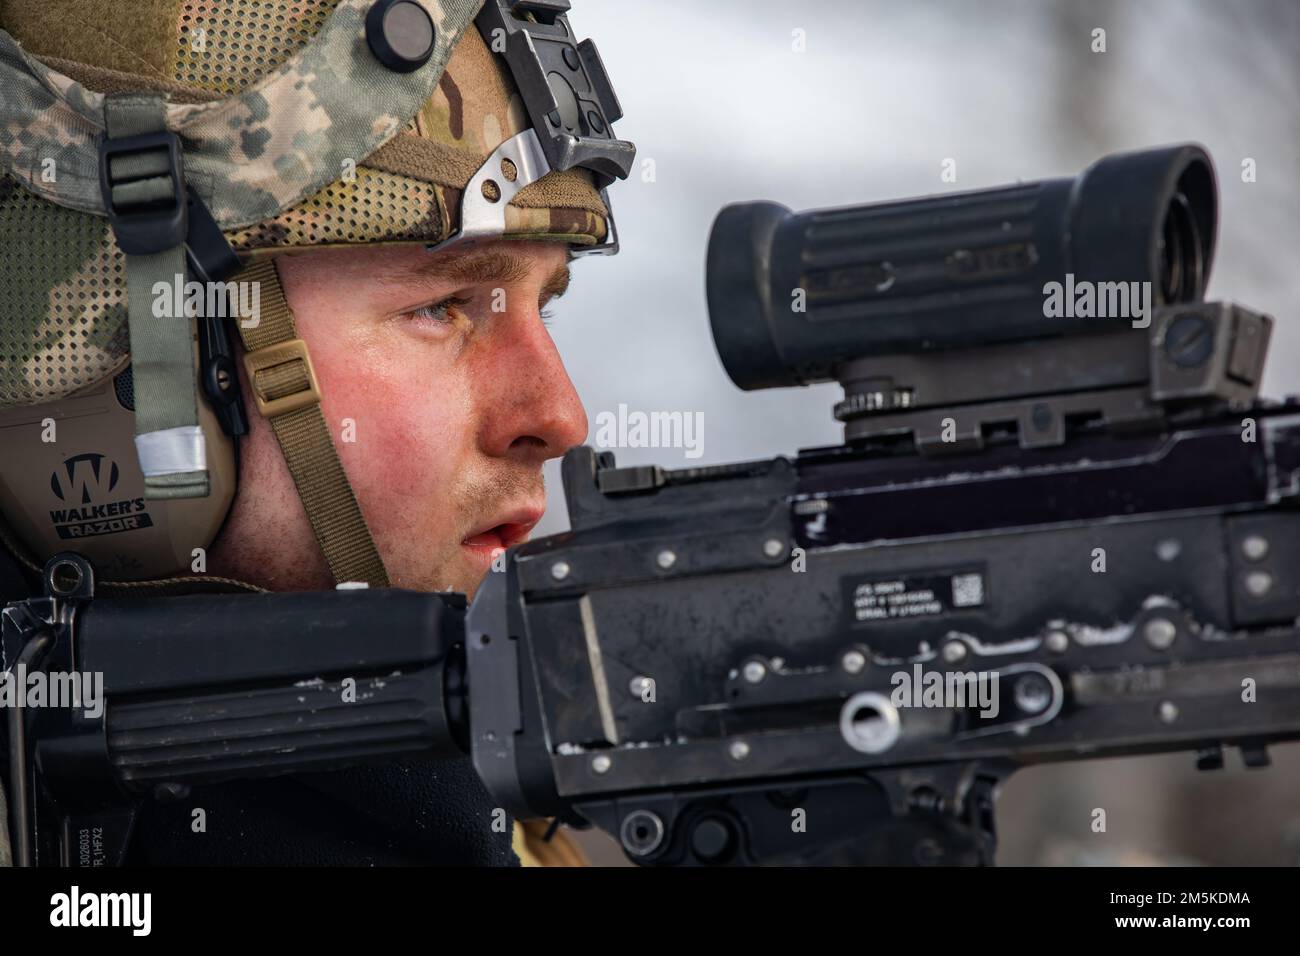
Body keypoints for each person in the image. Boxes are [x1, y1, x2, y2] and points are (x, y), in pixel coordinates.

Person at [0, 0, 633, 865]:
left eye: (544, 304)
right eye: (442, 307)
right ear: (123, 362)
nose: (558, 418)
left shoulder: (530, 823)